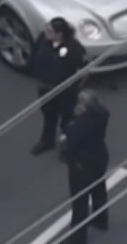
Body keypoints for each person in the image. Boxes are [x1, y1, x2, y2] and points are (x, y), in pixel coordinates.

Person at [29, 17, 87, 155]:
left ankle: (69, 145)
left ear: (59, 34)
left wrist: (76, 87)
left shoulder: (74, 48)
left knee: (67, 120)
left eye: (50, 31)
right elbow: (35, 55)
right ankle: (47, 141)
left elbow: (84, 70)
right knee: (49, 116)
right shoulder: (43, 39)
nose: (45, 33)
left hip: (66, 92)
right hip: (46, 88)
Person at [61, 89, 110, 243]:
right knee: (98, 189)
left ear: (84, 106)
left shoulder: (78, 127)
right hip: (100, 158)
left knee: (80, 203)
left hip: (82, 167)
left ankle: (78, 239)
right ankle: (101, 219)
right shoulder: (102, 115)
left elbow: (71, 147)